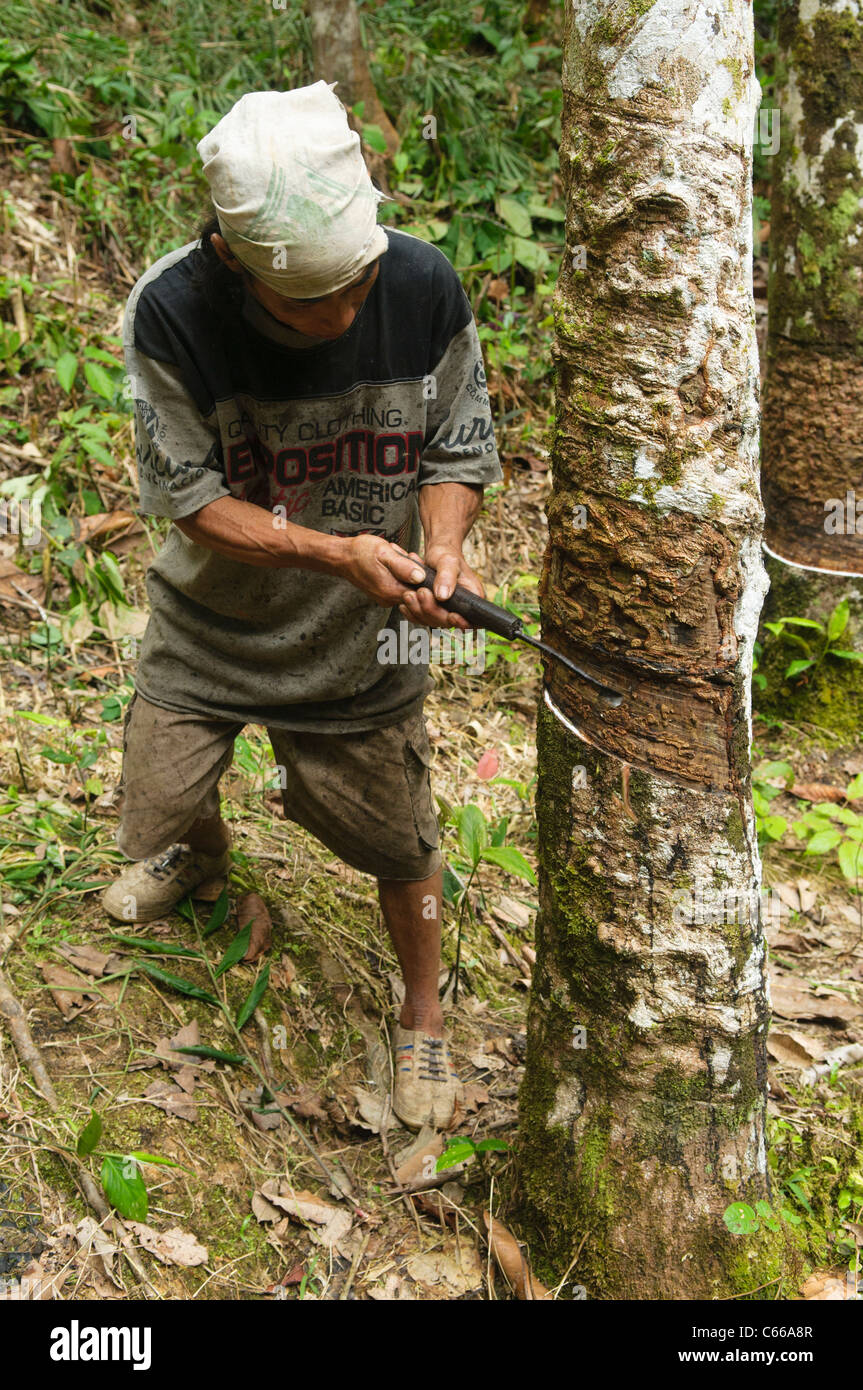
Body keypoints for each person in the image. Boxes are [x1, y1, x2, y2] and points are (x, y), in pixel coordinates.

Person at [103, 82, 502, 1130]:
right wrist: (334, 551)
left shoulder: (420, 286)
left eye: (356, 286)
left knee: (400, 842)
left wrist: (444, 549)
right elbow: (189, 500)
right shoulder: (170, 314)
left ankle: (422, 1011)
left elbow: (458, 443)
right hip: (213, 628)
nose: (344, 319)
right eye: (307, 306)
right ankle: (203, 854)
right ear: (234, 261)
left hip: (359, 647)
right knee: (155, 790)